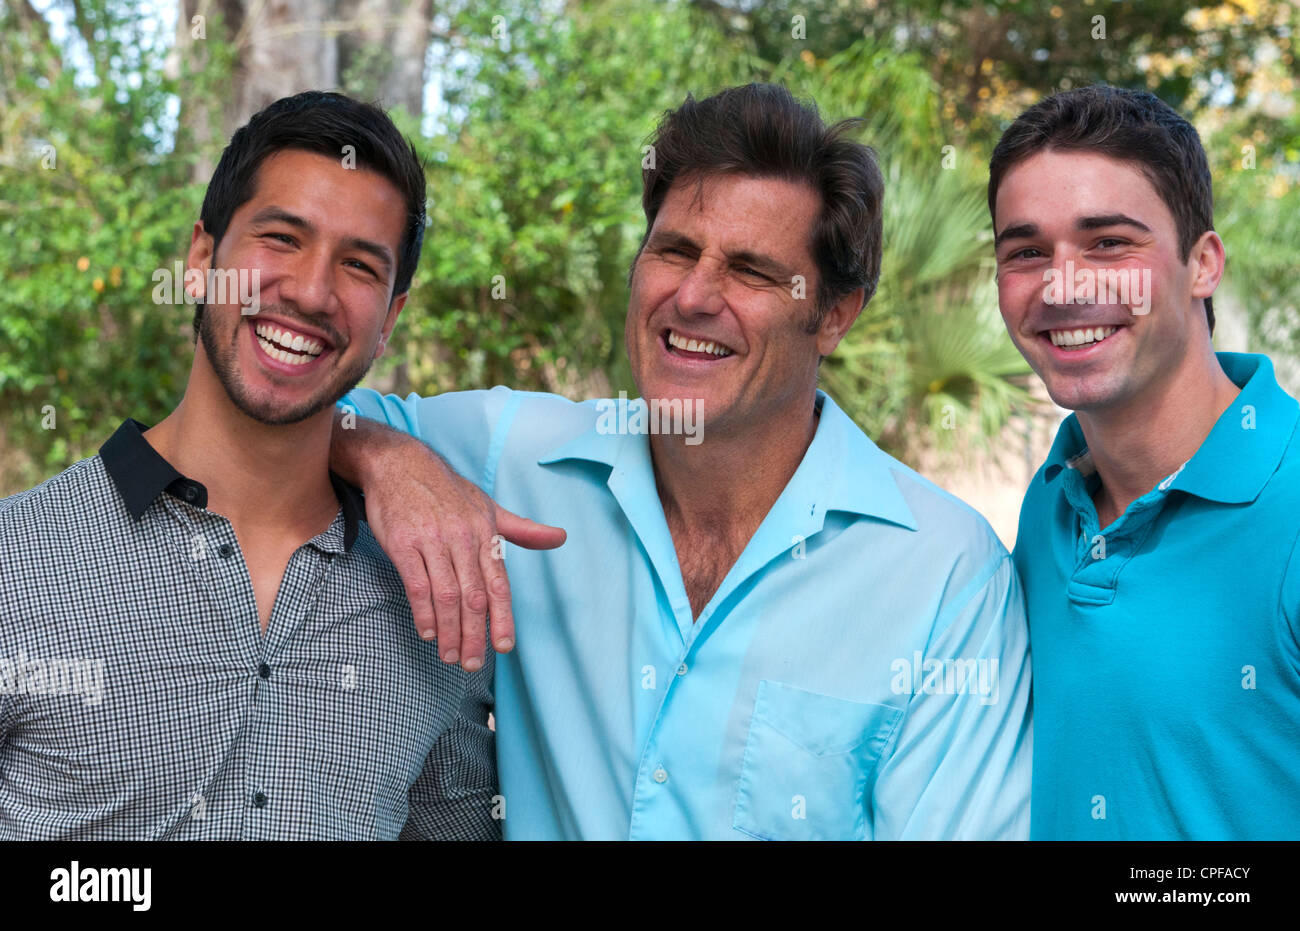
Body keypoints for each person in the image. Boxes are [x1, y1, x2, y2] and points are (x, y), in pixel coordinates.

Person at [332, 83, 1032, 840]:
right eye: (674, 251)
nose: (694, 296)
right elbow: (287, 414)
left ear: (833, 314)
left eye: (751, 271)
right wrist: (383, 455)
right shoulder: (515, 456)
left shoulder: (944, 576)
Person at [0, 91, 522, 839]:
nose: (311, 292)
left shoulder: (433, 601)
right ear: (200, 259)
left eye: (359, 266)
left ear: (389, 323)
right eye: (281, 238)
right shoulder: (16, 560)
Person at [989, 84, 1300, 839]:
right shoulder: (1050, 503)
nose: (1064, 285)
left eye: (1109, 243)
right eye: (1027, 251)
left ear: (1203, 264)